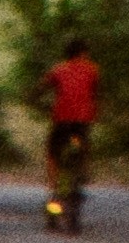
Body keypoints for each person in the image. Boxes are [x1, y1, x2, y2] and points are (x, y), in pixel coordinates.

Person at [38, 36, 101, 220]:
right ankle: (83, 171)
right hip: (83, 120)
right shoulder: (92, 69)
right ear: (83, 53)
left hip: (62, 120)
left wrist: (35, 100)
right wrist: (95, 110)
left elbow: (41, 88)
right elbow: (96, 93)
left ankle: (54, 185)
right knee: (84, 144)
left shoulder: (58, 69)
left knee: (53, 152)